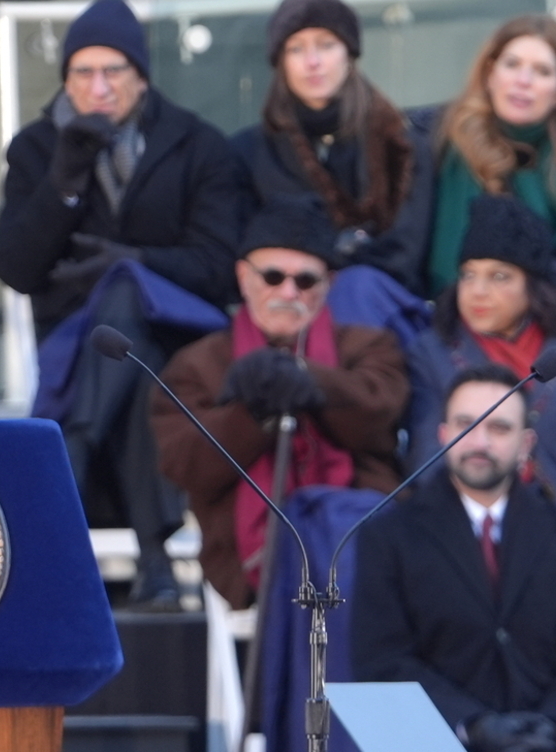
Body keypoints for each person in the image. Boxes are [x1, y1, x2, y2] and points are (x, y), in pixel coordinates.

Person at [0, 0, 244, 607]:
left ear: (141, 77)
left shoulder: (197, 146)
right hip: (78, 349)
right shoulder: (34, 150)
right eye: (83, 73)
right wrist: (66, 180)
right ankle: (154, 560)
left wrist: (135, 262)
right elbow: (17, 268)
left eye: (113, 72)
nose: (98, 87)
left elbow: (219, 266)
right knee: (137, 372)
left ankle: (70, 457)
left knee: (129, 296)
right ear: (66, 79)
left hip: (179, 336)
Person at [151, 195, 408, 610]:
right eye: (272, 276)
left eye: (305, 281)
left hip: (362, 543)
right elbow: (185, 464)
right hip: (249, 558)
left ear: (329, 285)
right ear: (242, 277)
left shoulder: (368, 346)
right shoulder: (197, 363)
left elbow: (378, 421)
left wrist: (308, 380)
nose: (288, 292)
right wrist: (253, 413)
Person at [353, 365, 556, 752]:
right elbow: (381, 662)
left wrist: (554, 726)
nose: (480, 442)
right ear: (442, 435)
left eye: (499, 428)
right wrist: (470, 725)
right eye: (466, 424)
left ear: (526, 443)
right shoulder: (388, 536)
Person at [233, 0, 434, 297]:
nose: (312, 62)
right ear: (280, 62)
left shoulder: (403, 145)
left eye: (326, 45)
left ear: (348, 54)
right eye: (296, 49)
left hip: (378, 311)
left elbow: (407, 254)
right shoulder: (248, 153)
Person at [407, 194, 556, 509]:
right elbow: (428, 461)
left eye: (499, 276)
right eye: (468, 275)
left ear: (533, 285)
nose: (477, 291)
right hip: (469, 530)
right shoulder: (431, 354)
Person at [428, 14, 556, 296]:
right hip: (464, 322)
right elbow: (445, 264)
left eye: (542, 71)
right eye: (512, 65)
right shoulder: (449, 144)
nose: (523, 80)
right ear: (489, 74)